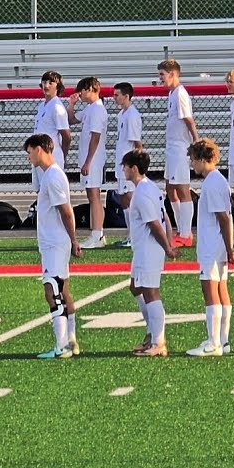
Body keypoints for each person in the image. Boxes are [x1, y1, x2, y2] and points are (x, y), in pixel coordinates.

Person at [25, 133, 83, 359]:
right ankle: (70, 339)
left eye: (30, 151)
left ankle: (61, 346)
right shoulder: (50, 176)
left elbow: (66, 211)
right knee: (63, 290)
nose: (29, 157)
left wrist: (74, 239)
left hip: (55, 244)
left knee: (52, 291)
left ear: (40, 149)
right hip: (54, 242)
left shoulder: (53, 177)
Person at [122, 149, 178, 357]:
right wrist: (169, 241)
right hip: (145, 248)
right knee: (135, 287)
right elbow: (165, 217)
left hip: (149, 248)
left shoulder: (144, 193)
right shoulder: (150, 188)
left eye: (125, 166)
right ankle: (152, 334)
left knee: (150, 292)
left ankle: (158, 341)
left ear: (133, 168)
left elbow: (155, 223)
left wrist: (167, 247)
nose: (123, 170)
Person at [187, 139, 234, 356]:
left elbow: (224, 219)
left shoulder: (213, 182)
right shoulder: (216, 181)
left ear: (201, 158)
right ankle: (223, 340)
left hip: (212, 244)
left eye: (192, 159)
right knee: (221, 289)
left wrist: (229, 248)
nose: (191, 164)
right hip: (216, 243)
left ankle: (213, 342)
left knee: (210, 291)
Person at [159, 59, 199, 247]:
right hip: (172, 146)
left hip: (180, 147)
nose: (160, 79)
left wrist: (195, 141)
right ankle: (181, 228)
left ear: (173, 74)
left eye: (162, 75)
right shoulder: (172, 94)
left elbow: (189, 120)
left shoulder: (180, 94)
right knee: (170, 189)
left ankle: (186, 233)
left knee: (182, 189)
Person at [67, 76, 108, 248]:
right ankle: (97, 234)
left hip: (94, 159)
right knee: (92, 195)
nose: (80, 94)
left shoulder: (98, 110)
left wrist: (88, 162)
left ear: (91, 89)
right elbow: (71, 120)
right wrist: (71, 105)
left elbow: (96, 137)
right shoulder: (90, 109)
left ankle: (97, 234)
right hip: (89, 159)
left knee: (94, 196)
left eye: (82, 90)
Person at [110, 81, 143, 248]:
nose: (114, 98)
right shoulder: (122, 114)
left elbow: (137, 143)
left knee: (129, 197)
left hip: (128, 163)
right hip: (121, 161)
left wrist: (136, 164)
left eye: (117, 95)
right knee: (123, 198)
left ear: (126, 96)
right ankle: (130, 234)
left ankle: (135, 235)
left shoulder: (132, 115)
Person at [32, 70, 71, 190]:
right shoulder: (42, 106)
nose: (46, 86)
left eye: (50, 83)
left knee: (52, 191)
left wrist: (62, 154)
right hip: (39, 155)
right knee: (41, 191)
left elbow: (66, 136)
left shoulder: (57, 108)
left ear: (57, 87)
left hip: (51, 156)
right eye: (44, 82)